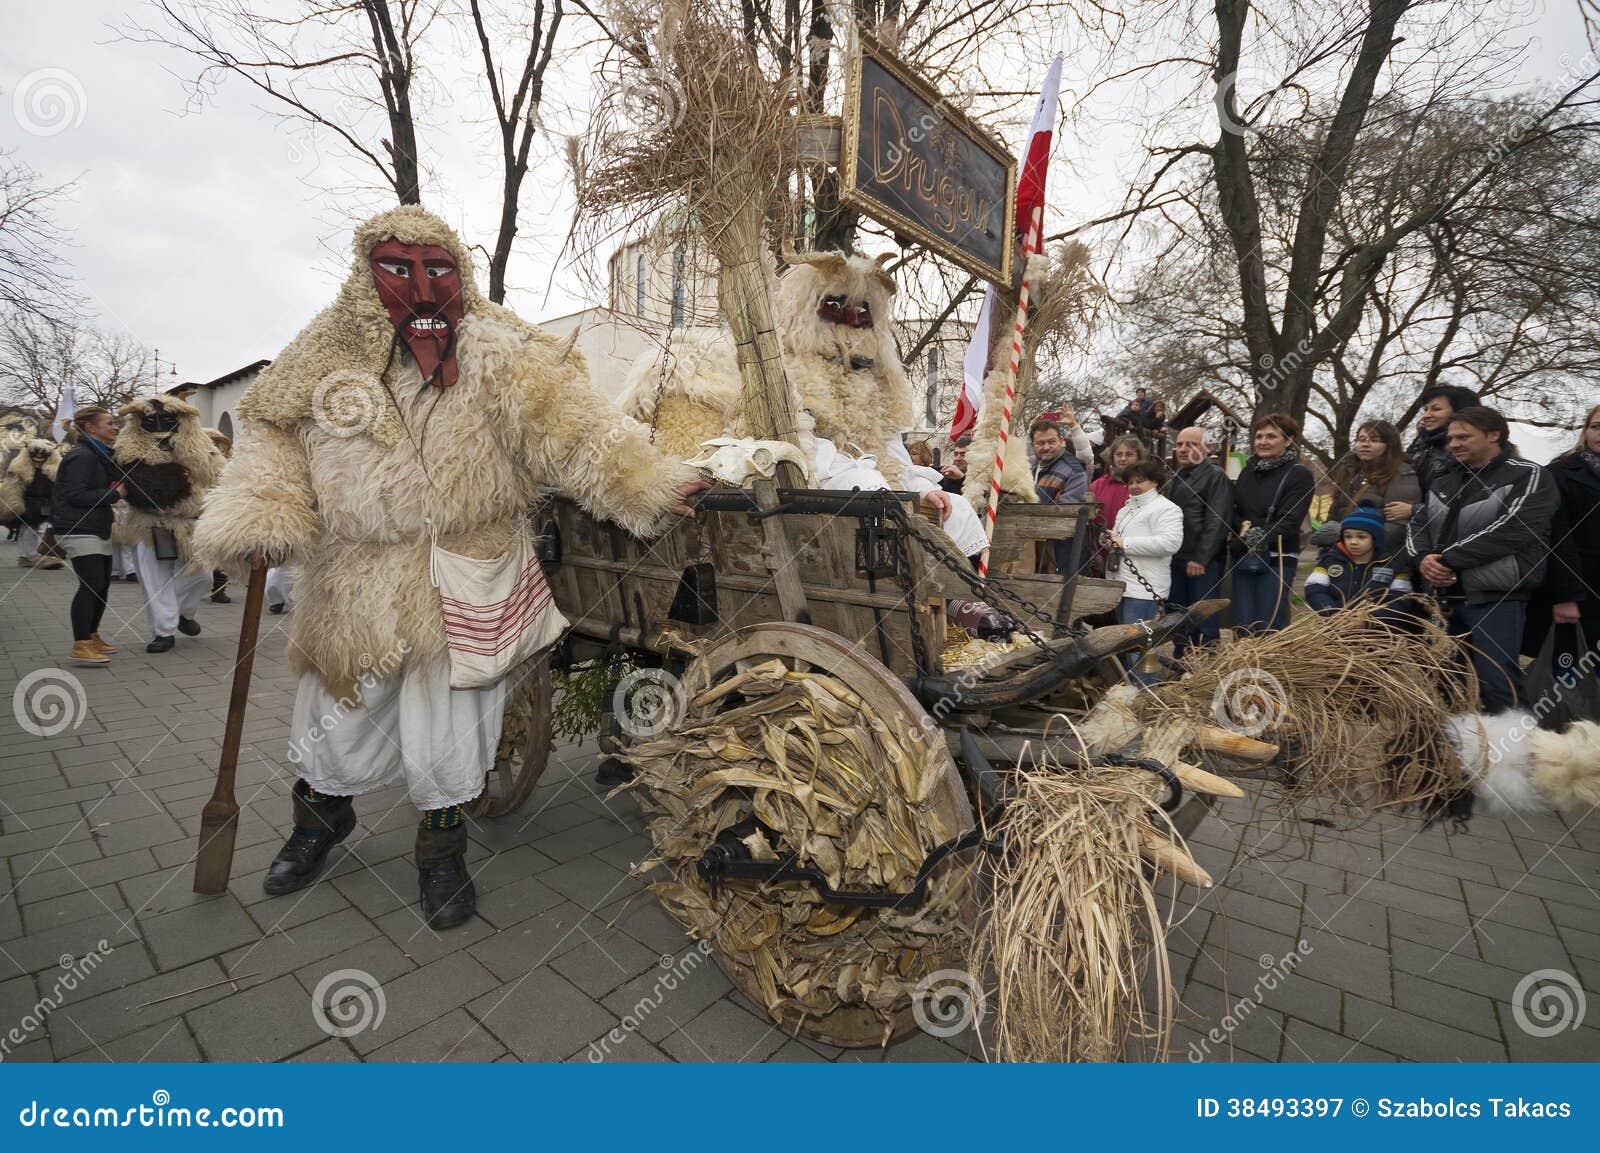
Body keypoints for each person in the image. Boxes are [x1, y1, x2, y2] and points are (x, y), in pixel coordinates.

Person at [193, 205, 707, 931]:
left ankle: (441, 855)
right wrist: (261, 512)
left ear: (459, 274)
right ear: (366, 277)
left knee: (453, 728)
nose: (422, 286)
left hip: (468, 567)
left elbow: (574, 429)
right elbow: (272, 437)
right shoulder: (321, 357)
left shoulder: (500, 354)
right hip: (353, 574)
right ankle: (320, 823)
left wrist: (648, 480)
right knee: (335, 717)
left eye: (438, 269)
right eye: (399, 270)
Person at [1405, 406, 1558, 713]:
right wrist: (1422, 559)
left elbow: (1513, 529)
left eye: (1464, 436)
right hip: (1445, 599)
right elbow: (1418, 524)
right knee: (1442, 684)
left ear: (1494, 435)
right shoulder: (1444, 480)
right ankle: (1447, 755)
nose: (1454, 444)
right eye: (1451, 438)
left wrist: (1447, 560)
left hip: (1496, 597)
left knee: (1497, 684)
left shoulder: (1528, 474)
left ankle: (1514, 758)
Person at [115, 396, 221, 654]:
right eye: (151, 418)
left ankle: (182, 612)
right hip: (149, 523)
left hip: (189, 524)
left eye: (167, 418)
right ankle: (164, 631)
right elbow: (126, 475)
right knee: (154, 579)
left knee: (202, 576)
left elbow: (218, 475)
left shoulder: (199, 444)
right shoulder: (128, 446)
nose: (160, 423)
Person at [1521, 402, 1600, 677]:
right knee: (1570, 679)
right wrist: (1565, 596)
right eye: (1595, 426)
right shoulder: (1559, 473)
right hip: (1578, 592)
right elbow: (1554, 539)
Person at [1229, 412, 1316, 634]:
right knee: (1243, 622)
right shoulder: (1248, 471)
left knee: (1269, 623)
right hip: (1243, 555)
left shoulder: (1299, 474)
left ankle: (1270, 668)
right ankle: (1244, 667)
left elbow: (1290, 520)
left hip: (1277, 556)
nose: (1263, 442)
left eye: (1271, 436)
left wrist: (1250, 535)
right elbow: (1235, 509)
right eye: (1259, 436)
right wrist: (1240, 530)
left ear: (1288, 440)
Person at [51, 407, 123, 666]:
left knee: (101, 584)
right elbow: (76, 495)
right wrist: (116, 494)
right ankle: (80, 644)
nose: (115, 427)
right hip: (79, 528)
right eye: (110, 423)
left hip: (95, 527)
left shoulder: (99, 455)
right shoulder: (83, 456)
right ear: (91, 428)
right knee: (91, 584)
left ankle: (91, 635)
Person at [1104, 458, 1183, 683]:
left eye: (1141, 481)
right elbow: (1121, 541)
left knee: (1140, 649)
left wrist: (1124, 543)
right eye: (1131, 482)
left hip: (1144, 589)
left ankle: (1145, 694)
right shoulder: (1126, 509)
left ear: (1155, 483)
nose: (1135, 486)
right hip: (1122, 586)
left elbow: (1170, 544)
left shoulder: (1167, 509)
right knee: (1127, 647)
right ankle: (1132, 690)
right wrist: (1110, 540)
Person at [1165, 426, 1232, 653]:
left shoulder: (1215, 477)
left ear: (1207, 447)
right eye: (1180, 444)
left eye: (1190, 444)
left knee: (1204, 619)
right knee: (1178, 618)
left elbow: (1217, 521)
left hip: (1201, 562)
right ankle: (1180, 666)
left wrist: (1201, 558)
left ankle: (1206, 671)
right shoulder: (1176, 476)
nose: (1183, 449)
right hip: (1176, 558)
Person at [1313, 420, 1421, 554]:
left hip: (1377, 556)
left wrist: (1363, 545)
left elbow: (1397, 524)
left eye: (1374, 440)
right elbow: (1336, 510)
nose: (1365, 444)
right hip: (1341, 551)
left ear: (1389, 445)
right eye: (1361, 439)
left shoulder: (1401, 474)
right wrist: (1329, 534)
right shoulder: (1349, 470)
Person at [1304, 500, 1415, 616]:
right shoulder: (1330, 561)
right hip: (1334, 626)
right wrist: (1330, 611)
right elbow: (1314, 588)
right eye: (1348, 536)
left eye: (1361, 537)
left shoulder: (1393, 565)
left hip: (1377, 629)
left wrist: (1371, 619)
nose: (1353, 542)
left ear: (1375, 538)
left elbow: (1401, 599)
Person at [1403, 383, 1480, 509]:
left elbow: (1467, 502)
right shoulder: (1421, 445)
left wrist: (1414, 510)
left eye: (1436, 409)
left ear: (1459, 412)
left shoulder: (1471, 452)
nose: (1426, 415)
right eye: (1425, 410)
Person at [1031, 417, 1089, 573]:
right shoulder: (1028, 465)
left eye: (1052, 441)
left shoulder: (1074, 471)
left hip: (1059, 549)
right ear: (1032, 445)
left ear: (1061, 441)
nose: (1046, 447)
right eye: (1040, 443)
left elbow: (1064, 512)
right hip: (1029, 547)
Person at [0, 437, 65, 569]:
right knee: (28, 529)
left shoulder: (55, 469)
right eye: (35, 453)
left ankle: (38, 555)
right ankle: (29, 556)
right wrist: (14, 505)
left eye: (43, 453)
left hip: (47, 504)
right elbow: (12, 488)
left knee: (44, 528)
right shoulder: (19, 467)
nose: (39, 456)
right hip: (28, 504)